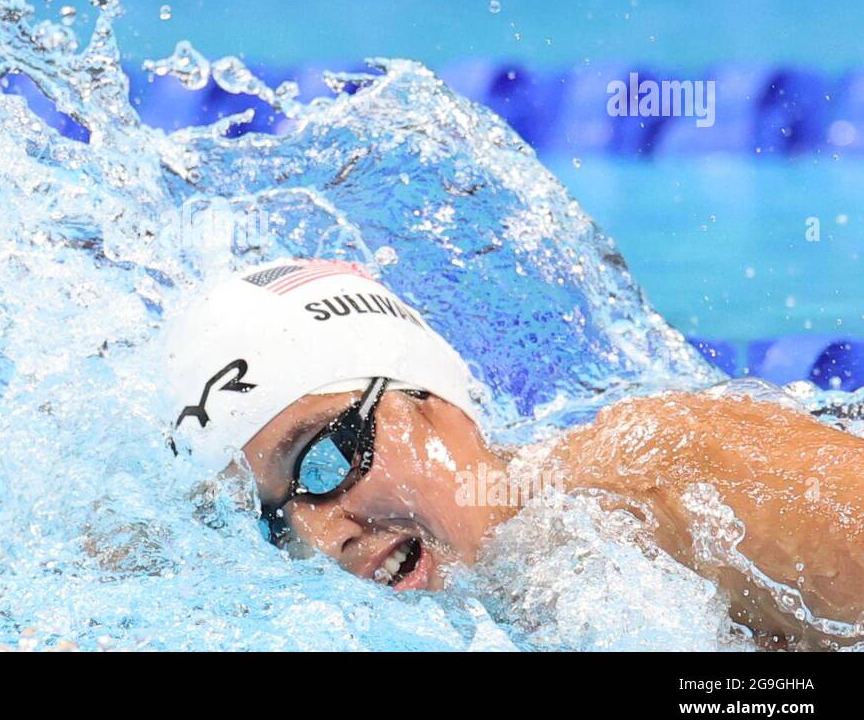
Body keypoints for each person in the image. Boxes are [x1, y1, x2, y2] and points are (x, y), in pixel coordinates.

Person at [166, 259, 864, 649]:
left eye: (320, 460)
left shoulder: (670, 480)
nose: (320, 538)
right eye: (273, 522)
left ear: (425, 396)